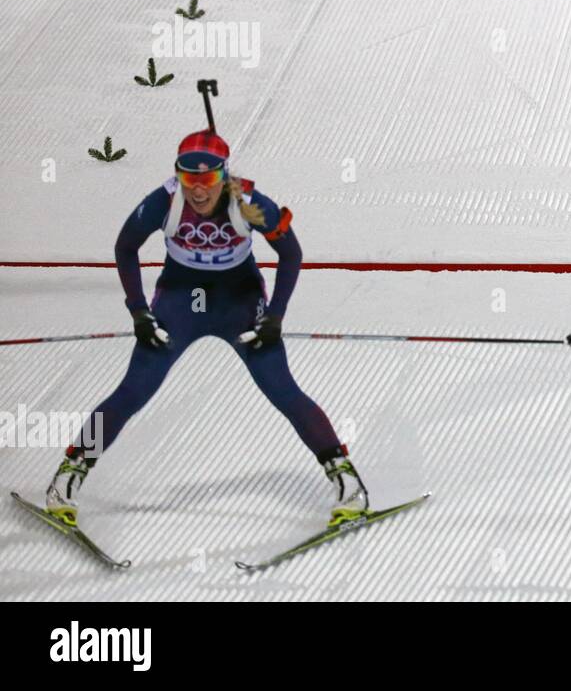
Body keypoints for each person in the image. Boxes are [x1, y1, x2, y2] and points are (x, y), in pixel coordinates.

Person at [44, 129, 369, 527]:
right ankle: (71, 472)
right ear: (177, 175)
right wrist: (139, 312)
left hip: (239, 301)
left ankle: (346, 480)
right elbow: (124, 247)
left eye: (209, 179)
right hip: (182, 300)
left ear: (224, 175)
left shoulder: (248, 202)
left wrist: (276, 315)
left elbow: (291, 253)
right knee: (133, 389)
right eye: (189, 178)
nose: (199, 191)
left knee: (282, 388)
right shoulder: (162, 201)